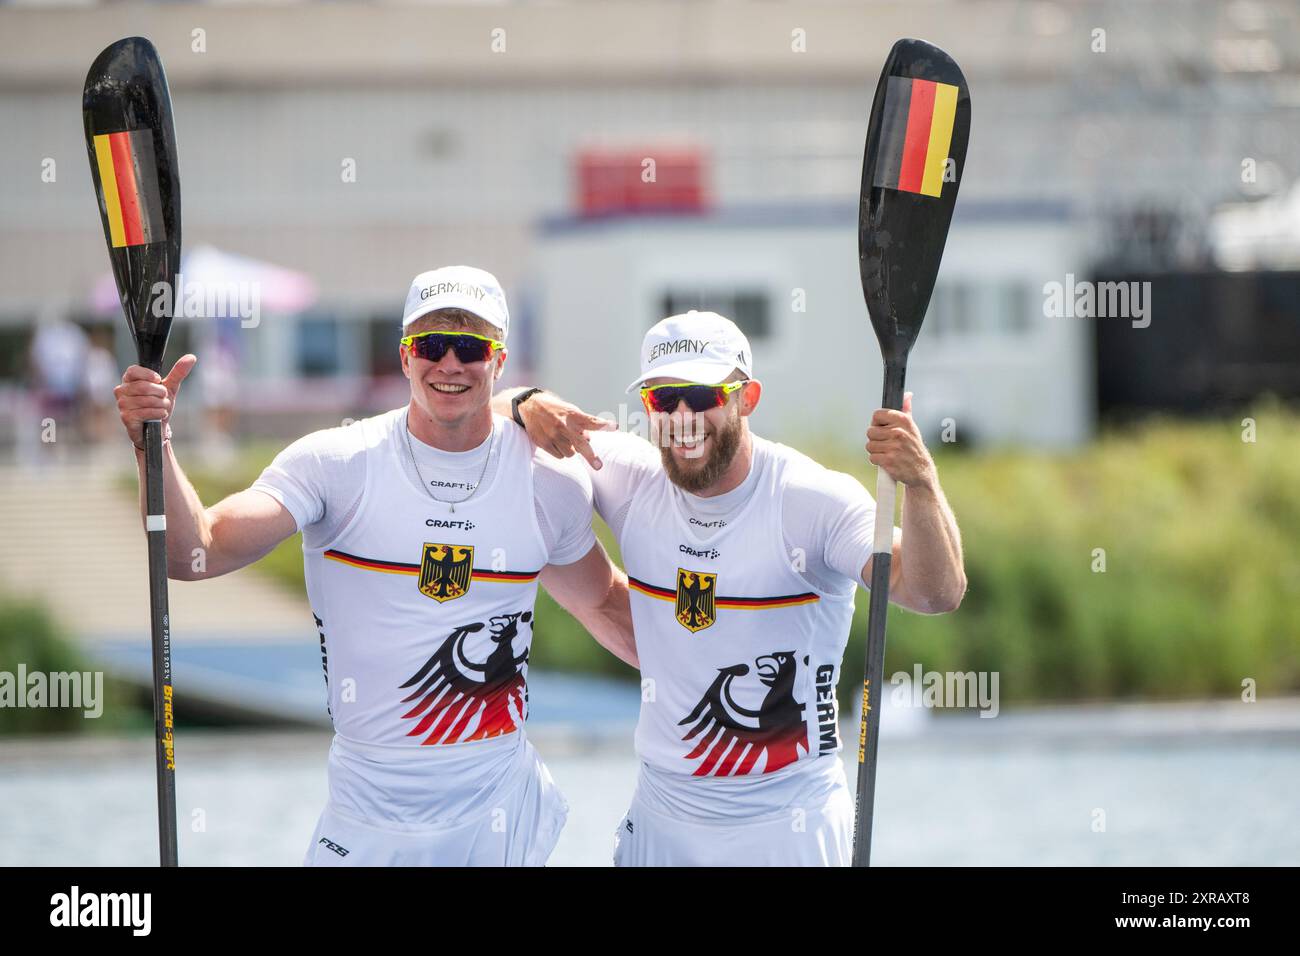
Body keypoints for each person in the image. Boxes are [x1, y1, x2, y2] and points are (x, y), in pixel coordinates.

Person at [114, 265, 636, 866]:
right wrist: (155, 444)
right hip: (366, 813)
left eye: (469, 347)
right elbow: (192, 551)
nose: (449, 364)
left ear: (499, 361)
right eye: (430, 345)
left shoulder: (547, 483)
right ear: (404, 355)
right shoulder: (336, 463)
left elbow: (604, 604)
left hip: (497, 809)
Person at [496, 310, 966, 866]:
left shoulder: (810, 500)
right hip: (664, 816)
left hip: (789, 822)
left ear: (748, 397)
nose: (683, 418)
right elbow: (496, 412)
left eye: (702, 396)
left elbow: (935, 592)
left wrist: (920, 484)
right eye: (663, 400)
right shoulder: (628, 475)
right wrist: (526, 400)